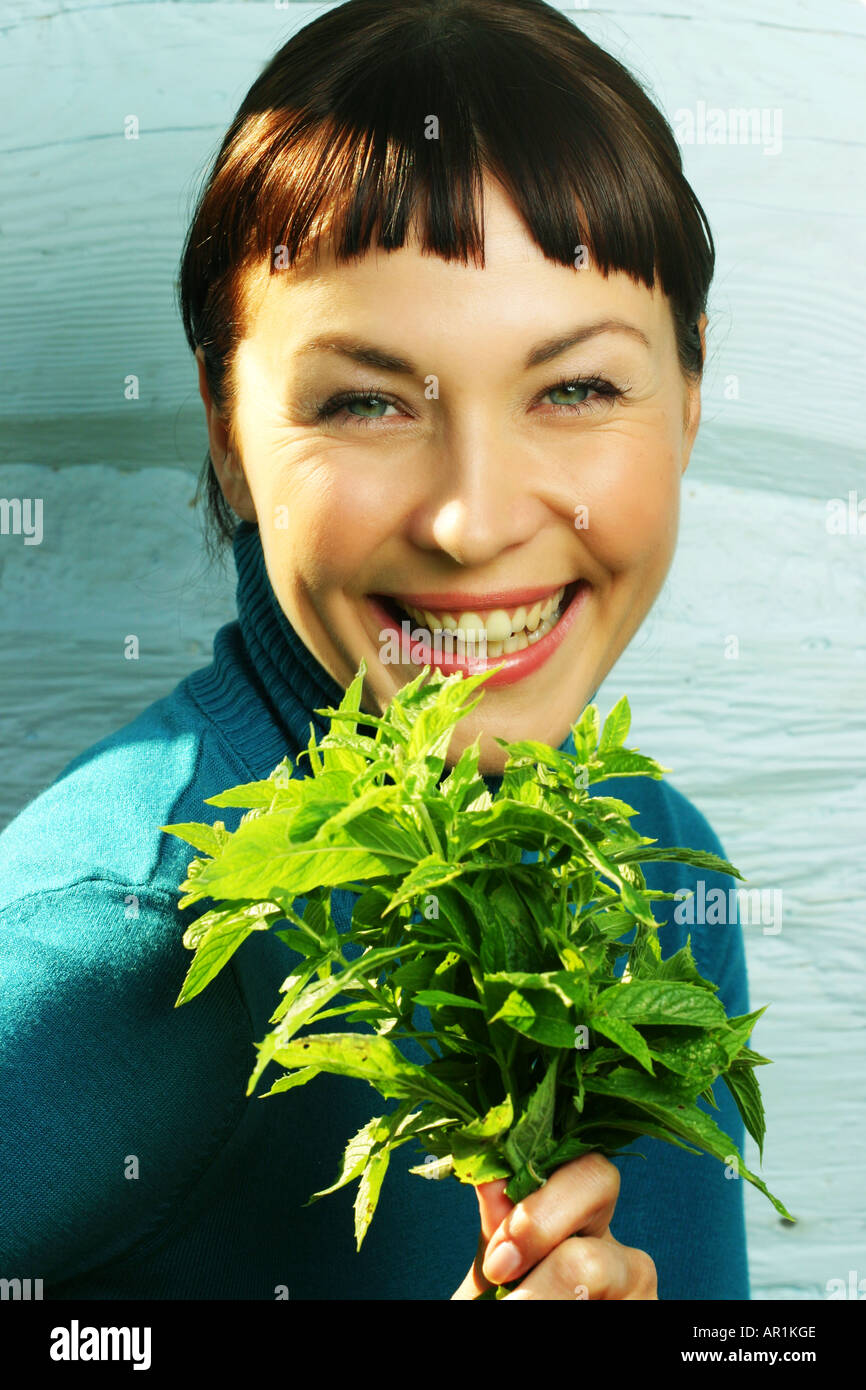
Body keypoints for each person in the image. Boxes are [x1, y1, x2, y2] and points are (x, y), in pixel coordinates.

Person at [0, 0, 750, 1299]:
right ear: (226, 430)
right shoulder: (116, 938)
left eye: (573, 387)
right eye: (365, 401)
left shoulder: (653, 860)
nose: (472, 522)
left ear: (688, 394)